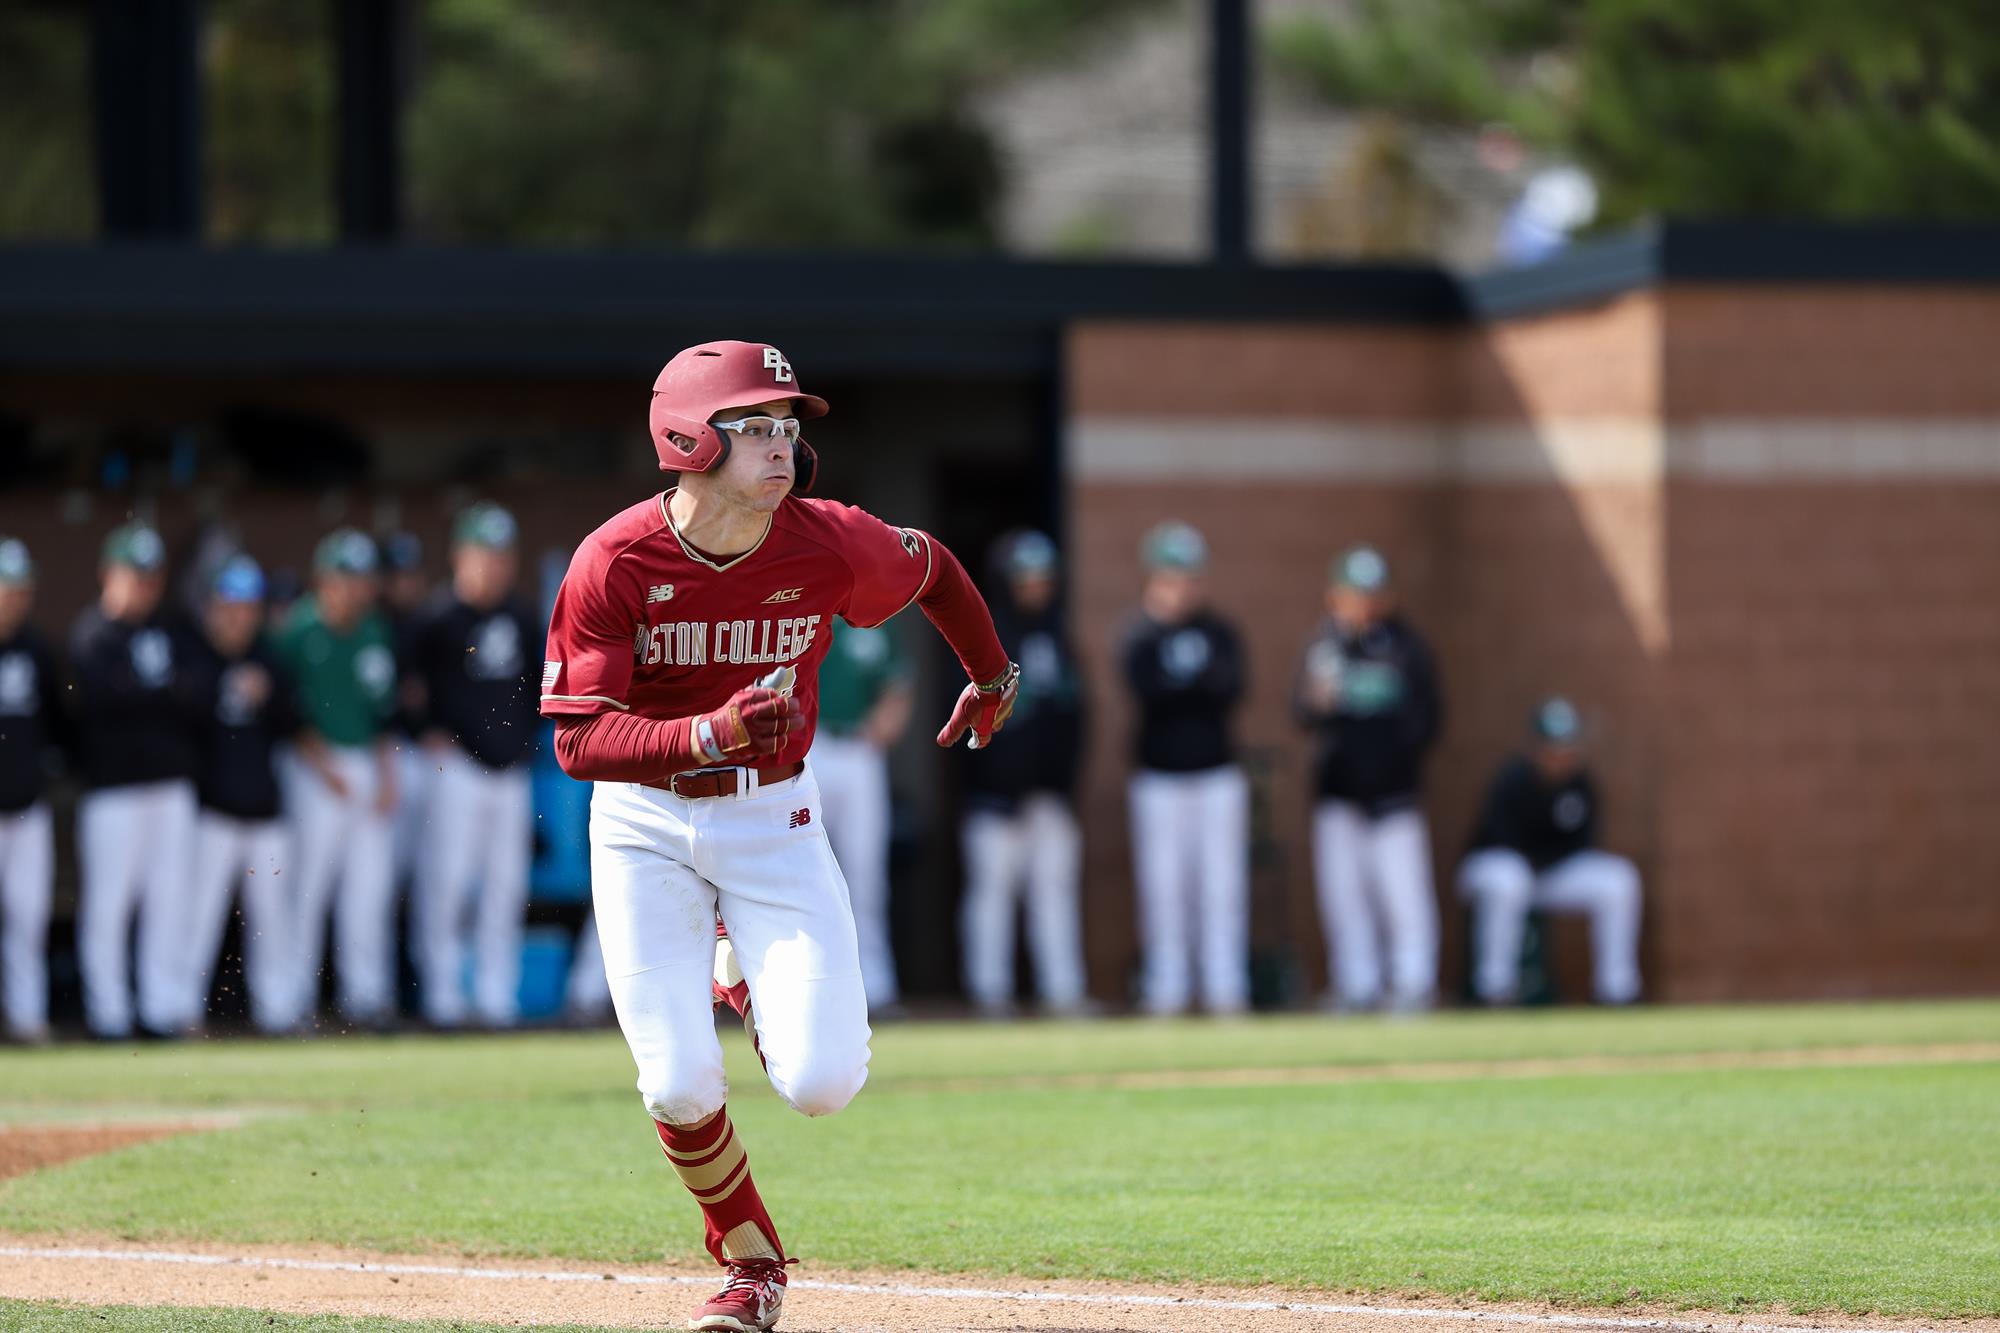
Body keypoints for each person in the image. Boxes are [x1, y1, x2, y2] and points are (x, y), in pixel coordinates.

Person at [541, 340, 1016, 1333]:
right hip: (644, 823)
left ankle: (736, 973)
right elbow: (580, 740)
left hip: (773, 813)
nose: (780, 444)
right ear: (685, 436)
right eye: (754, 424)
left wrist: (989, 671)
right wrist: (701, 732)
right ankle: (752, 1263)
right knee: (674, 1082)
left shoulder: (827, 539)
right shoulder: (616, 558)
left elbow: (929, 564)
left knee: (822, 1083)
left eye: (787, 426)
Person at [1295, 546, 1444, 1012]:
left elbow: (1429, 718)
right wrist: (1318, 702)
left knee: (1404, 894)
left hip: (1394, 795)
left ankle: (1413, 981)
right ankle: (1355, 983)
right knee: (1344, 897)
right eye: (1355, 595)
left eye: (1373, 594)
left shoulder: (1406, 647)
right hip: (1339, 793)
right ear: (1335, 597)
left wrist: (1392, 761)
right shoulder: (1324, 646)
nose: (1365, 604)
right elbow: (1300, 713)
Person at [411, 503, 540, 1029]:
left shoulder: (523, 615)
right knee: (447, 883)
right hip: (455, 767)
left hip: (510, 771)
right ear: (461, 556)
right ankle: (441, 994)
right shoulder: (437, 617)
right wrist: (424, 731)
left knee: (505, 886)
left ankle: (495, 996)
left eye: (502, 556)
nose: (493, 566)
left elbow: (544, 683)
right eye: (483, 555)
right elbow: (408, 687)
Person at [68, 522, 199, 1038]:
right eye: (133, 575)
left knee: (168, 901)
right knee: (109, 904)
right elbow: (104, 702)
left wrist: (154, 694)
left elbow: (196, 693)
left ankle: (160, 1007)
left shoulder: (170, 629)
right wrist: (162, 694)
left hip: (169, 785)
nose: (143, 586)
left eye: (150, 577)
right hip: (113, 790)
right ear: (108, 574)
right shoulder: (91, 634)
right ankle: (109, 1013)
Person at [271, 528, 401, 1030]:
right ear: (323, 580)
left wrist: (386, 773)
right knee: (307, 890)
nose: (355, 590)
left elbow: (382, 712)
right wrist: (323, 765)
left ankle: (364, 997)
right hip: (312, 767)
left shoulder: (373, 632)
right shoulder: (297, 632)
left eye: (363, 580)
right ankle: (292, 1000)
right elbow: (285, 714)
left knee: (367, 891)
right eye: (346, 579)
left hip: (364, 763)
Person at [1119, 521, 1249, 1016]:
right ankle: (1167, 987)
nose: (1185, 588)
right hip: (1159, 776)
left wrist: (1186, 689)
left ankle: (1225, 987)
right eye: (1175, 576)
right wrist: (1192, 688)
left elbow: (1231, 689)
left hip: (1216, 774)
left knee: (1221, 885)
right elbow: (1147, 692)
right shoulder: (1139, 633)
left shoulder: (1221, 632)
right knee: (1164, 888)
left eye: (1192, 577)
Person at [959, 530, 1089, 1016]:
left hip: (1048, 795)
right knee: (991, 894)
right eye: (1025, 579)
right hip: (994, 797)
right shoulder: (983, 635)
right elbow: (964, 718)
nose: (1035, 588)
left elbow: (1077, 716)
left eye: (1042, 579)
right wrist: (988, 781)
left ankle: (1064, 993)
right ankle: (989, 993)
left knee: (1054, 895)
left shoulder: (1059, 636)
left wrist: (1064, 781)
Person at [1459, 696, 1642, 1006]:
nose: (1559, 758)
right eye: (1552, 749)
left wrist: (1548, 863)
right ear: (1535, 748)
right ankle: (1494, 989)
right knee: (1509, 881)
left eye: (1566, 748)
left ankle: (1617, 989)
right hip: (1496, 867)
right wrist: (1539, 860)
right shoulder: (1512, 780)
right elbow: (1501, 839)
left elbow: (1583, 842)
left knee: (1619, 880)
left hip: (1550, 873)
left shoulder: (1580, 782)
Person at [181, 556, 299, 1034]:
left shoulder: (270, 659)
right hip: (211, 812)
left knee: (272, 922)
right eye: (230, 606)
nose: (238, 617)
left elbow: (294, 724)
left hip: (264, 811)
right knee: (198, 919)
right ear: (212, 608)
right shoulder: (193, 657)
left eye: (248, 607)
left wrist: (269, 695)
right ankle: (177, 1008)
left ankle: (279, 1011)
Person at [810, 619, 913, 1015]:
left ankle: (877, 985)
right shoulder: (809, 601)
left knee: (865, 873)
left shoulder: (880, 613)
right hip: (811, 746)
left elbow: (898, 682)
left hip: (859, 750)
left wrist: (887, 721)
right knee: (805, 870)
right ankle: (811, 986)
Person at [0, 538, 65, 1044]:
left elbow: (59, 724)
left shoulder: (37, 649)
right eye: (7, 588)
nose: (14, 599)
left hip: (26, 806)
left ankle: (27, 1018)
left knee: (29, 917)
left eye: (22, 590)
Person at [379, 531, 433, 894]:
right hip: (384, 753)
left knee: (425, 866)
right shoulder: (374, 625)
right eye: (397, 576)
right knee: (383, 869)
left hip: (424, 753)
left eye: (410, 575)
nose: (404, 584)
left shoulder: (429, 623)